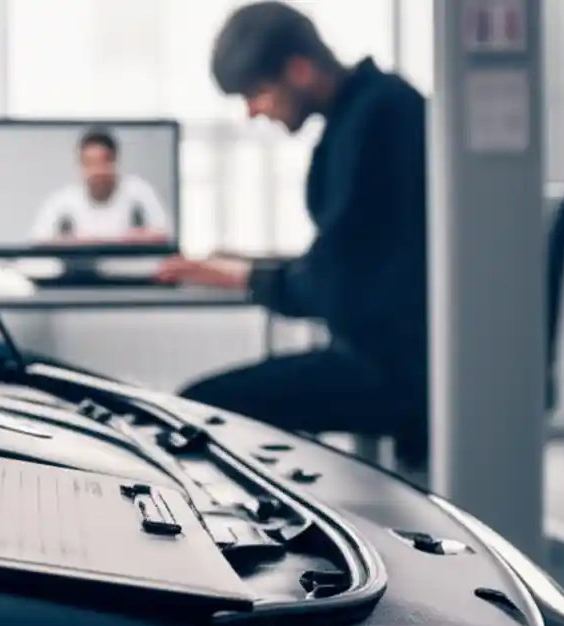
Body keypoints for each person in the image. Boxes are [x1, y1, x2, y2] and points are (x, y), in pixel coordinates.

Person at [156, 2, 429, 460]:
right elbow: (349, 255)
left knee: (198, 407)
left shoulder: (378, 119)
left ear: (299, 70)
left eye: (257, 93)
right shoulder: (368, 111)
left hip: (395, 369)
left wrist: (236, 277)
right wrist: (248, 266)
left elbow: (334, 287)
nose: (252, 112)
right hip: (383, 353)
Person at [29, 127, 172, 246]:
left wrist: (123, 239)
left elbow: (164, 234)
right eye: (89, 163)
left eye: (102, 162)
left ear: (114, 161)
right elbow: (39, 239)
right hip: (80, 274)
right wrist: (75, 242)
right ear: (80, 164)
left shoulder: (139, 191)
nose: (96, 171)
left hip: (128, 272)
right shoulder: (64, 199)